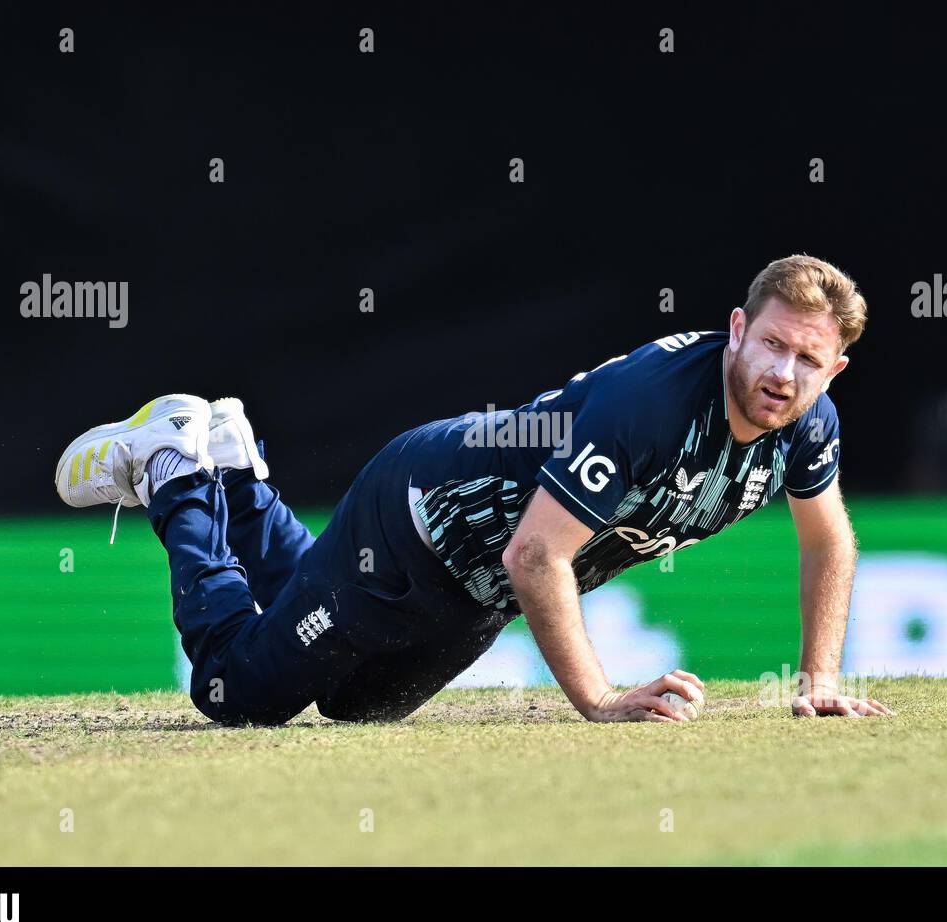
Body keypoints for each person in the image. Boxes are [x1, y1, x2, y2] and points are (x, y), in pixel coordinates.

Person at [54, 254, 891, 724]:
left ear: (834, 370)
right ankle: (176, 471)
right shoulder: (653, 407)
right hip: (414, 521)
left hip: (475, 594)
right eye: (773, 344)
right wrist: (598, 699)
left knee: (353, 706)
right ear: (738, 329)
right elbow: (536, 555)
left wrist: (817, 678)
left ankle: (236, 474)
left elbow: (829, 540)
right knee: (236, 696)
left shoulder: (807, 428)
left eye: (809, 359)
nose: (784, 373)